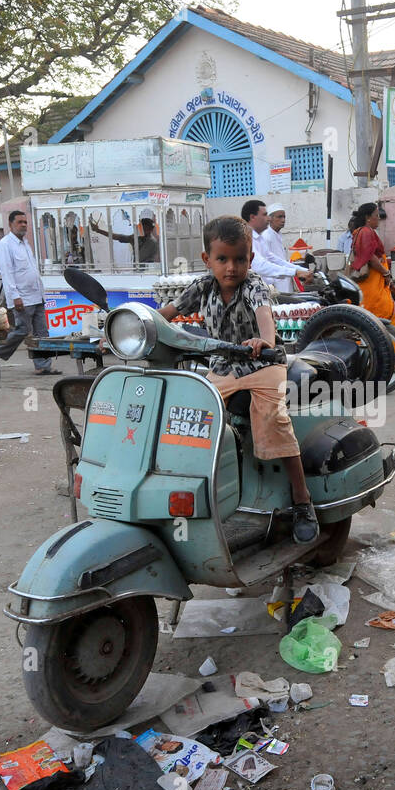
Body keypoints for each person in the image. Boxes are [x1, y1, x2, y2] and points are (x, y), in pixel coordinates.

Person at [156, 215, 320, 544]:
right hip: (222, 367)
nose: (231, 267)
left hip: (263, 365)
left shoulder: (254, 286)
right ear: (208, 259)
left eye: (239, 259)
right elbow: (168, 313)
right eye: (222, 259)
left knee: (274, 419)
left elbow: (263, 314)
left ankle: (303, 501)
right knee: (190, 422)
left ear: (250, 258)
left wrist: (265, 342)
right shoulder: (202, 286)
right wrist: (131, 324)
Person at [0, 210, 57, 375]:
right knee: (22, 330)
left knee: (42, 333)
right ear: (10, 224)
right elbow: (7, 273)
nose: (23, 225)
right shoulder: (5, 244)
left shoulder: (26, 243)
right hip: (22, 297)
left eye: (25, 222)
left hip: (36, 294)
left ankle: (43, 366)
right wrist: (15, 297)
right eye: (19, 222)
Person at [346, 201, 395, 328]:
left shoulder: (363, 232)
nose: (379, 218)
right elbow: (370, 257)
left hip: (373, 285)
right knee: (387, 320)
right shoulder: (366, 232)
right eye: (376, 215)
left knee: (375, 323)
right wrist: (386, 273)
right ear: (367, 218)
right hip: (372, 287)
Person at [240, 199, 314, 293]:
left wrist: (302, 270)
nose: (268, 219)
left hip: (270, 286)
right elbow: (260, 265)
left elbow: (275, 259)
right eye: (264, 215)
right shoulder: (248, 238)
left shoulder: (260, 238)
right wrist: (295, 272)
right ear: (252, 217)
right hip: (258, 290)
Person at [92, 208, 159, 265]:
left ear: (151, 229)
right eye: (143, 229)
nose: (144, 231)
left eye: (146, 229)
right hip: (138, 269)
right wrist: (98, 231)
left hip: (149, 269)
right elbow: (117, 237)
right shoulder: (136, 238)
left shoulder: (153, 242)